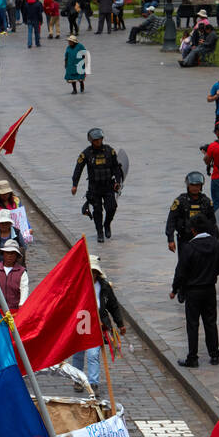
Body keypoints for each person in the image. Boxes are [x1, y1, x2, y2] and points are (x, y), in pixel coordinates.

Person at [170, 221, 219, 367]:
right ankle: (214, 355)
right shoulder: (217, 245)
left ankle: (192, 357)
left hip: (193, 291)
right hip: (210, 289)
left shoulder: (189, 248)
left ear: (193, 231)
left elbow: (181, 272)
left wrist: (175, 289)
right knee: (211, 322)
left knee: (193, 324)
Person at [72, 265, 124, 394]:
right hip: (81, 321)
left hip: (98, 323)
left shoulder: (104, 286)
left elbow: (113, 305)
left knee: (93, 354)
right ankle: (77, 380)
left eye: (95, 272)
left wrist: (120, 323)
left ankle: (93, 383)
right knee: (78, 353)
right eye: (90, 271)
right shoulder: (78, 284)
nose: (93, 274)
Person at [71, 128, 123, 244]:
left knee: (112, 207)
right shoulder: (87, 154)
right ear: (91, 141)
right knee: (97, 211)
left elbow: (116, 168)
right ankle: (100, 232)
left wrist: (118, 182)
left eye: (100, 139)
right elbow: (78, 168)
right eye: (96, 140)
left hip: (108, 186)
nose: (98, 142)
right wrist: (75, 184)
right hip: (94, 188)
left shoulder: (110, 151)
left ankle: (107, 224)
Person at [165, 171, 219, 254]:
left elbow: (213, 223)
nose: (195, 188)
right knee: (185, 264)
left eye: (197, 185)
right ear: (188, 185)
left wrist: (215, 241)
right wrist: (170, 240)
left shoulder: (207, 202)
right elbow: (171, 221)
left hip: (203, 240)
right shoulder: (180, 201)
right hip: (184, 239)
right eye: (192, 185)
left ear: (201, 186)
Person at [0, 238, 27, 308]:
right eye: (7, 253)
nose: (10, 256)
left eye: (12, 253)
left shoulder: (22, 272)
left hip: (14, 309)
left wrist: (22, 305)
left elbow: (24, 289)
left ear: (16, 256)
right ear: (3, 254)